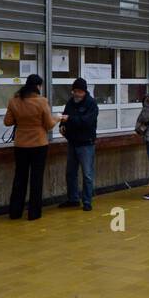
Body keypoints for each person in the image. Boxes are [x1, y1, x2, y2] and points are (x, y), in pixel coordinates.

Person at [4, 73, 58, 220]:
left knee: (19, 178)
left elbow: (7, 122)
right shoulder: (42, 102)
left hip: (21, 145)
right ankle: (34, 213)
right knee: (36, 179)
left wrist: (20, 119)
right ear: (38, 86)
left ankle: (15, 212)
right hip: (39, 145)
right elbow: (49, 125)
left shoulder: (14, 101)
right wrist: (58, 118)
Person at [58, 77, 98, 212]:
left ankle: (87, 201)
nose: (76, 94)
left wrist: (70, 119)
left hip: (86, 144)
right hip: (72, 142)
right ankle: (73, 199)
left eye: (79, 91)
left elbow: (86, 122)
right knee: (70, 173)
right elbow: (64, 116)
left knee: (87, 174)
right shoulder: (70, 102)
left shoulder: (91, 104)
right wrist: (62, 125)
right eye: (74, 91)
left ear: (84, 92)